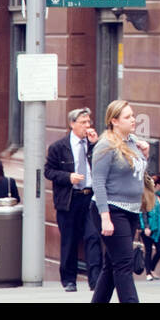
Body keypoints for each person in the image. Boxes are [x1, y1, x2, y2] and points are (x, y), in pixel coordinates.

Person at [91, 99, 150, 304]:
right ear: (114, 121)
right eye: (127, 117)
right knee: (124, 264)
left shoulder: (132, 141)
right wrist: (105, 218)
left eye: (133, 115)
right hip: (112, 210)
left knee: (112, 265)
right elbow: (98, 182)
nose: (133, 120)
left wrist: (145, 154)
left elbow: (135, 173)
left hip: (131, 210)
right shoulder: (105, 145)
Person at [44, 106, 103, 292]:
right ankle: (69, 280)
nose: (87, 126)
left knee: (93, 237)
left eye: (89, 122)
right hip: (69, 199)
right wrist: (68, 177)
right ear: (72, 124)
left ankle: (95, 280)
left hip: (91, 198)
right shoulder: (58, 147)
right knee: (69, 240)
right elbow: (48, 171)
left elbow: (102, 166)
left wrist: (95, 145)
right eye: (83, 122)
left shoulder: (95, 144)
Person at [139, 174, 160, 281]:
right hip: (149, 228)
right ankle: (148, 273)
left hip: (159, 228)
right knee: (148, 250)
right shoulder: (146, 196)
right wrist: (146, 227)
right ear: (157, 185)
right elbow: (143, 212)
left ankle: (151, 268)